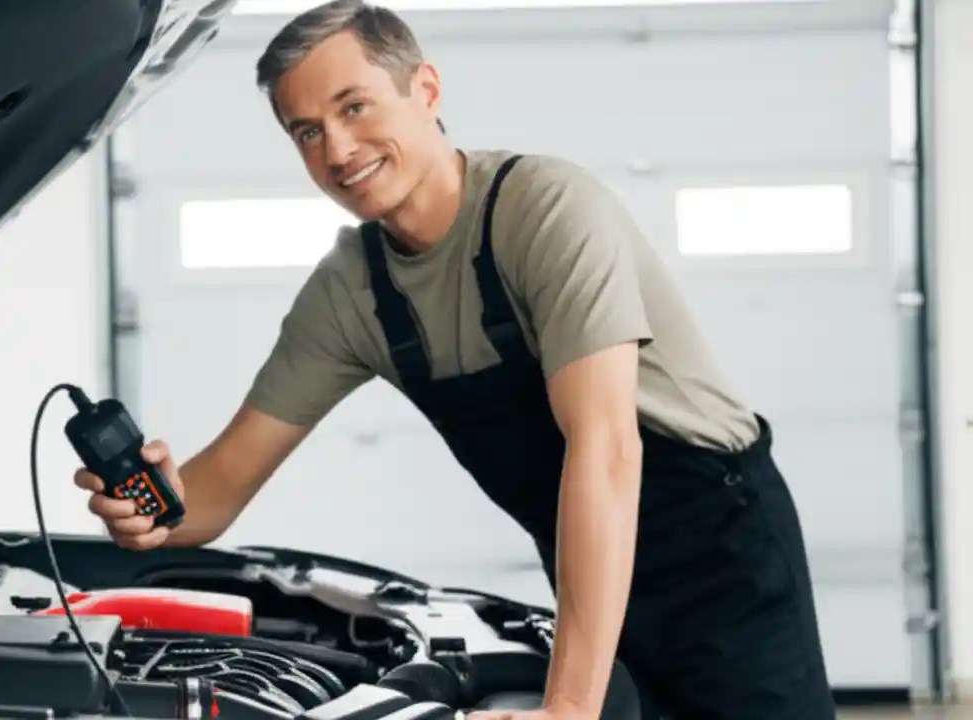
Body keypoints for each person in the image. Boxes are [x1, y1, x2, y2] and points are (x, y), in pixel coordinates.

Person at [74, 1, 836, 718]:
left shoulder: (545, 210)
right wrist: (152, 512)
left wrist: (568, 708)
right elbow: (220, 486)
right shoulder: (349, 292)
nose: (337, 149)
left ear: (425, 88)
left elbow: (605, 452)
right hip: (591, 564)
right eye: (306, 131)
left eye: (354, 106)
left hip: (721, 556)